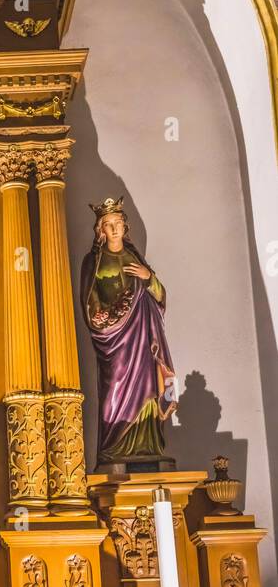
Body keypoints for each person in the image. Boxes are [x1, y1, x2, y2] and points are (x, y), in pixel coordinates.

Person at [80, 197, 177, 465]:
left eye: (118, 223)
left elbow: (160, 297)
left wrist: (149, 278)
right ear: (100, 229)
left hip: (144, 337)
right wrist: (103, 317)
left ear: (125, 227)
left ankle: (148, 446)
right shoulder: (94, 262)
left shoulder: (135, 258)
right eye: (108, 224)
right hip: (114, 340)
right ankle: (115, 447)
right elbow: (90, 301)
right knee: (115, 390)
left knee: (148, 387)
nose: (114, 229)